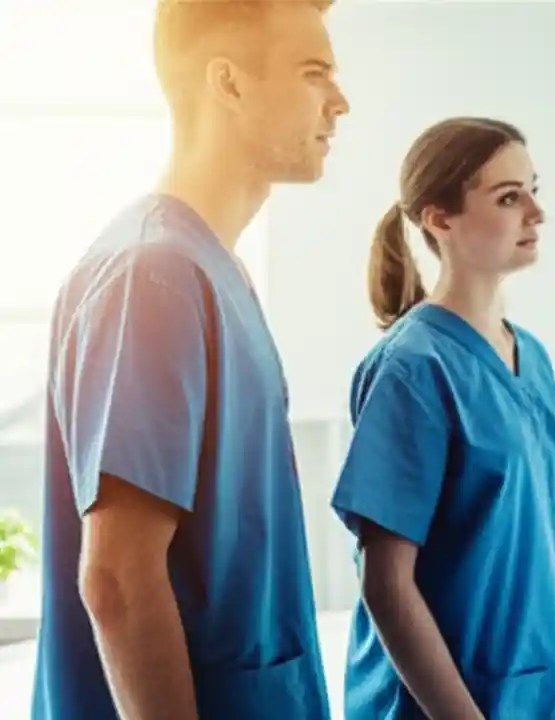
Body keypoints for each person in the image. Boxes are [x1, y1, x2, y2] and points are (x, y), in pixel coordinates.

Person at [32, 2, 349, 718]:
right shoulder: (154, 275)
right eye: (313, 72)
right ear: (228, 84)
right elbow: (116, 580)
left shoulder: (214, 271)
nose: (341, 100)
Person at [330, 117, 555, 720]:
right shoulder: (412, 368)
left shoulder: (532, 356)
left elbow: (549, 552)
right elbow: (387, 583)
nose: (536, 211)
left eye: (534, 189)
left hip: (545, 698)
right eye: (509, 197)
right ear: (439, 218)